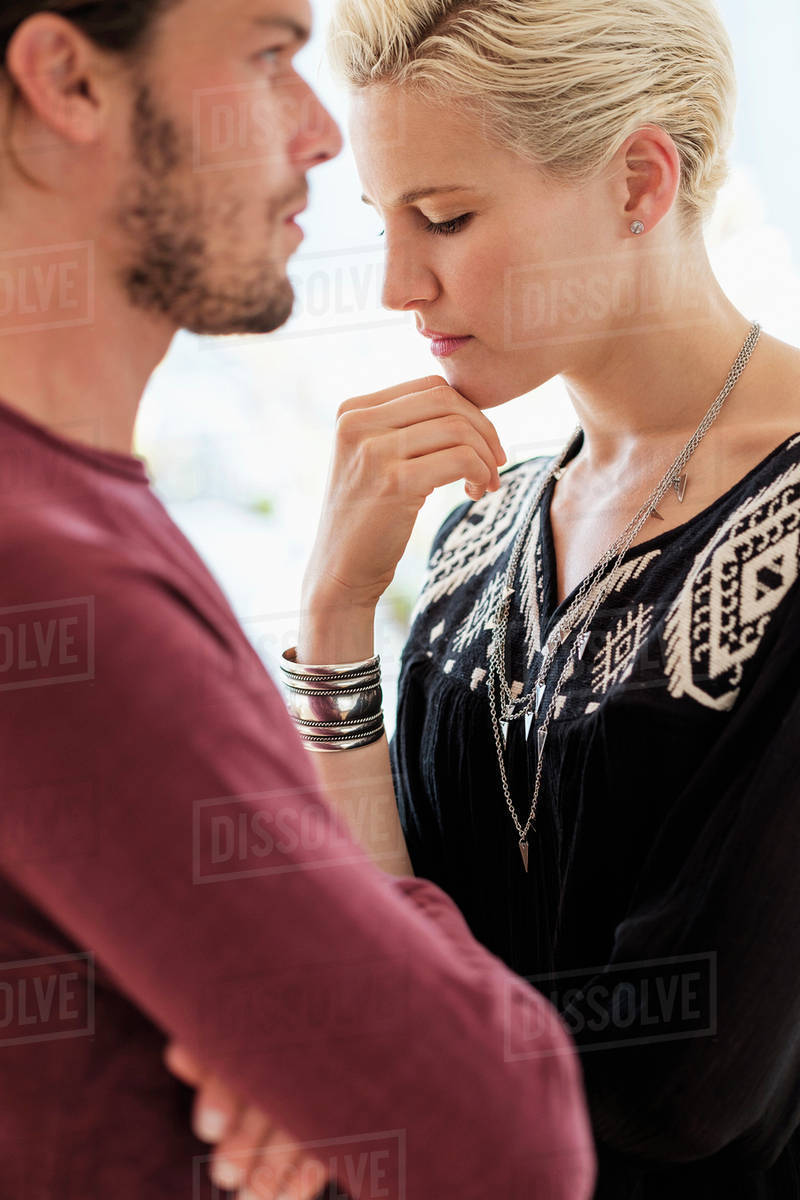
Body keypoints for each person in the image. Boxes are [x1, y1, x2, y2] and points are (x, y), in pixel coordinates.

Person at [182, 0, 800, 1196]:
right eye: (382, 222)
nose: (400, 283)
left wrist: (361, 1052)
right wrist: (332, 616)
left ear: (635, 180)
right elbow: (356, 947)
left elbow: (676, 1085)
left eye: (446, 218)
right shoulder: (477, 532)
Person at [0, 0, 599, 1197]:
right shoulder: (50, 579)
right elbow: (508, 1142)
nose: (318, 133)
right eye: (270, 59)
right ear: (69, 80)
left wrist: (315, 1033)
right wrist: (371, 1008)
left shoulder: (84, 518)